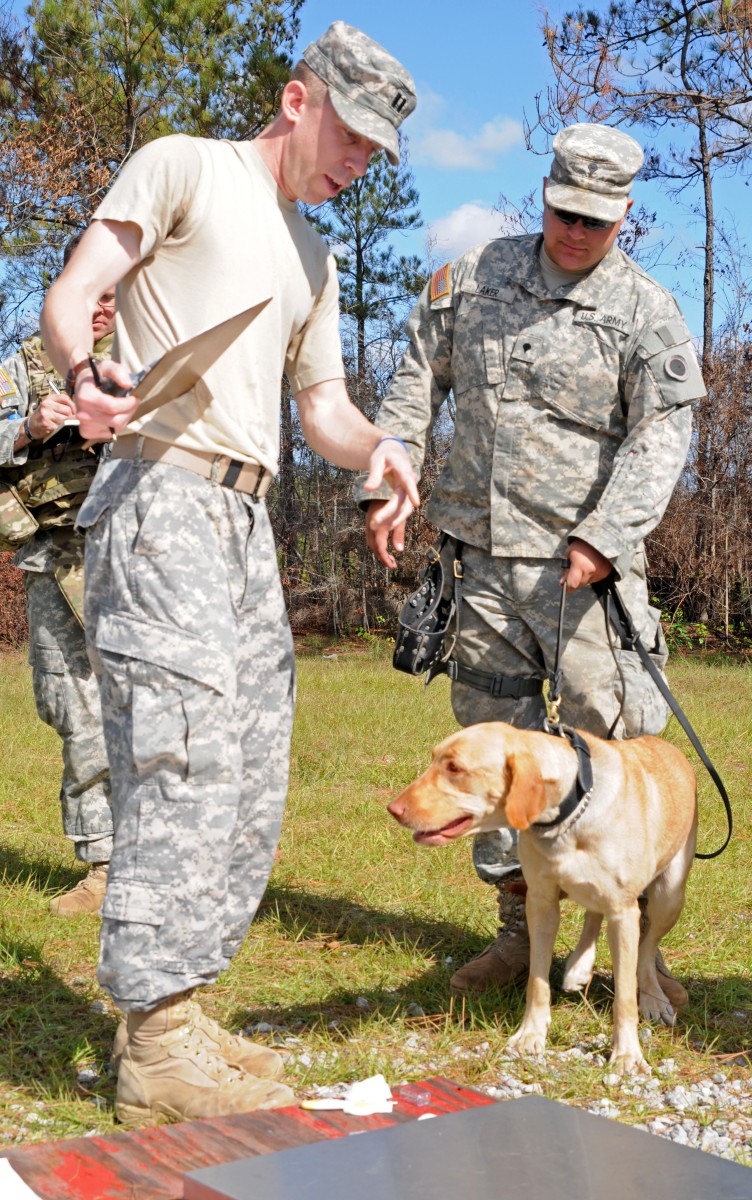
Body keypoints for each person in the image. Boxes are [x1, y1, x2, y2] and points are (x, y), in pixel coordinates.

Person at [40, 22, 419, 1126]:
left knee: (249, 770)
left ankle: (185, 1005)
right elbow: (77, 290)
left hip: (246, 521)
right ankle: (154, 1048)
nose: (357, 162)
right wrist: (86, 372)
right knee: (184, 758)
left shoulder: (314, 255)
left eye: (374, 153)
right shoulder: (185, 165)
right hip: (160, 494)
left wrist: (382, 448)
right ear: (299, 102)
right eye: (349, 136)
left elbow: (322, 413)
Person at [359, 124, 705, 1004]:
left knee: (611, 755)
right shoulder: (474, 280)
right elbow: (414, 375)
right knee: (490, 758)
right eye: (562, 212)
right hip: (479, 572)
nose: (575, 232)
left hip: (586, 576)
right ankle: (519, 934)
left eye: (596, 220)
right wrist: (389, 460)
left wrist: (606, 533)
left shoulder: (645, 313)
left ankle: (627, 939)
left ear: (626, 213)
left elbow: (662, 440)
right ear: (542, 194)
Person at [0, 237, 115, 915]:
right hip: (57, 562)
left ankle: (149, 857)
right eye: (90, 292)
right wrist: (25, 429)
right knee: (72, 704)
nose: (101, 309)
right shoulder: (22, 366)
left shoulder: (143, 360)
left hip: (140, 555)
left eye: (112, 295)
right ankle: (102, 863)